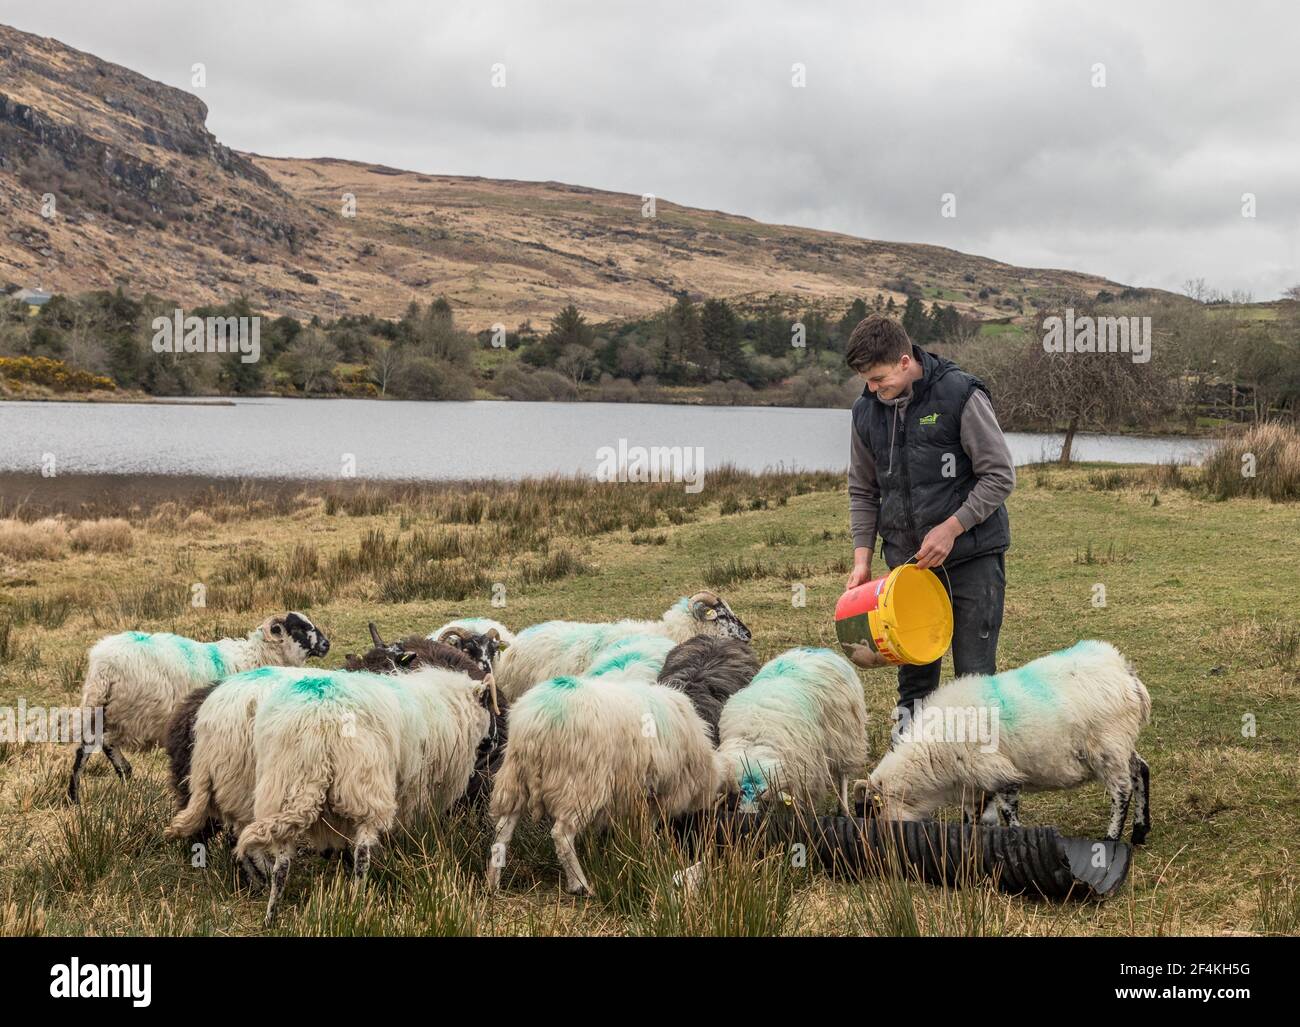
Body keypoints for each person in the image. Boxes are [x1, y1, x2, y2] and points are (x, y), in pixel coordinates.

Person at [842, 314, 1015, 725]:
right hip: (909, 568)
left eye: (879, 378)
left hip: (973, 559)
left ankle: (981, 782)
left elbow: (1000, 475)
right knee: (915, 678)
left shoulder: (961, 395)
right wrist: (862, 559)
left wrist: (952, 527)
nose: (872, 388)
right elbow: (863, 489)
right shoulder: (865, 412)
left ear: (905, 361)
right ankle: (907, 778)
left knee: (974, 677)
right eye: (865, 380)